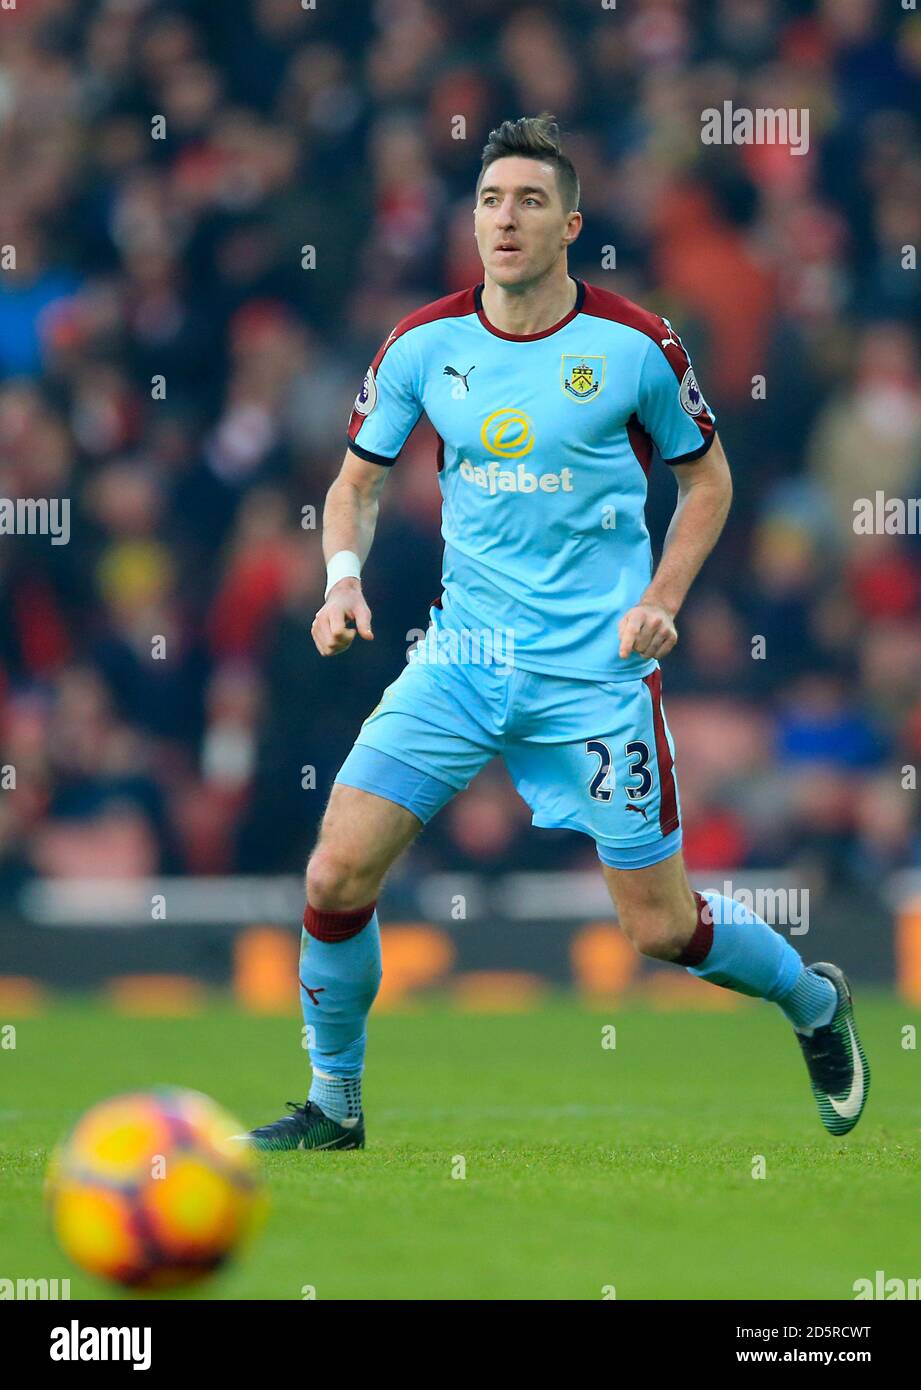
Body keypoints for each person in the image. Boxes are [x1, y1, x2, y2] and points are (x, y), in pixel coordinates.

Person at [243, 115, 869, 1152]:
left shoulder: (636, 347)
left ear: (570, 223)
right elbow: (355, 483)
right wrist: (341, 582)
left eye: (530, 201)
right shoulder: (423, 345)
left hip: (595, 678)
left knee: (662, 928)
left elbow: (707, 479)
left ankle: (812, 1001)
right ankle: (333, 1105)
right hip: (460, 660)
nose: (506, 218)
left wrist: (662, 594)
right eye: (491, 200)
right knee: (333, 875)